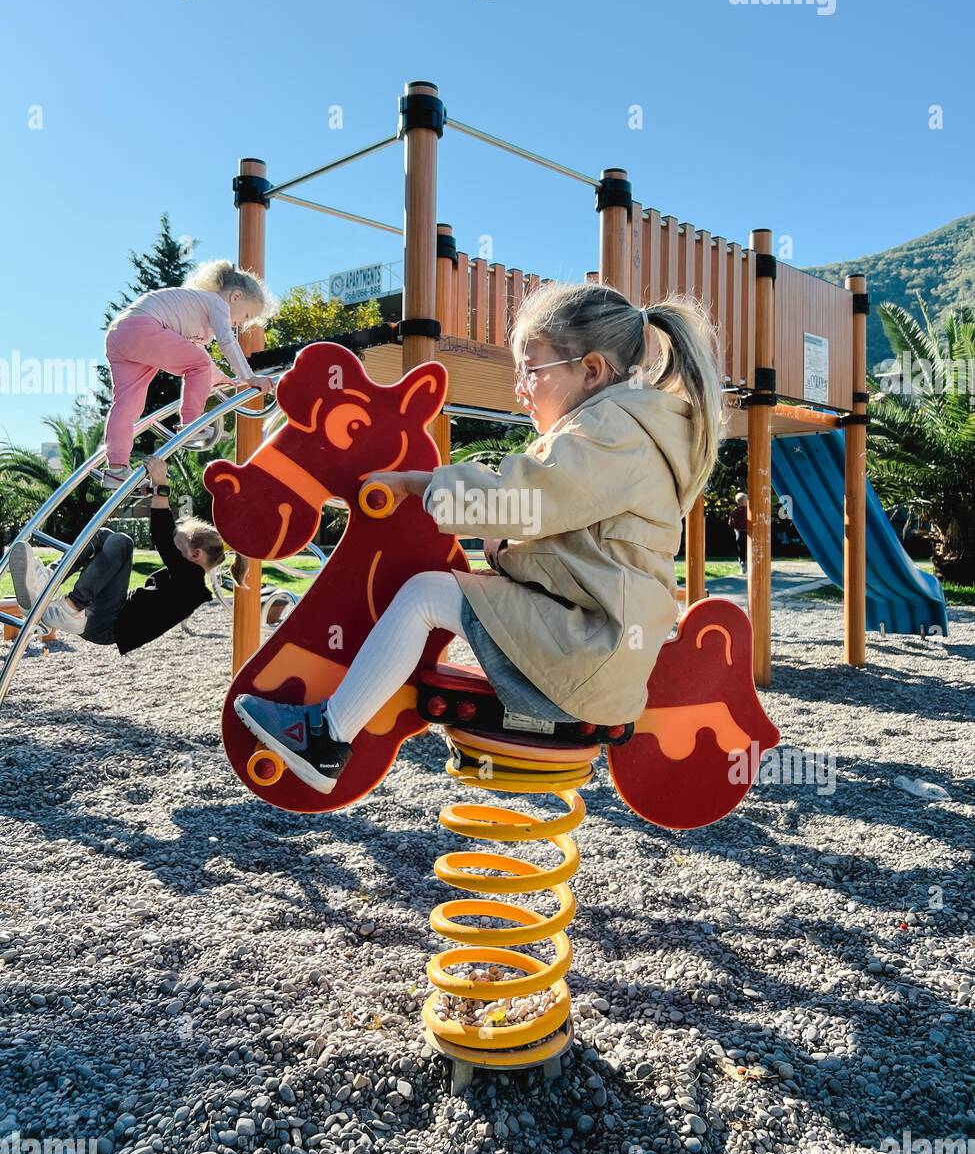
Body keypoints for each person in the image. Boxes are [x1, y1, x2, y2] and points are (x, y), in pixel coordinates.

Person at [236, 282, 723, 796]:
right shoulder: (626, 430)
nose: (520, 388)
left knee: (427, 595)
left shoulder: (612, 433)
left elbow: (521, 501)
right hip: (592, 641)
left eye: (531, 370)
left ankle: (327, 737)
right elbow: (551, 523)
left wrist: (416, 485)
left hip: (586, 652)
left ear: (591, 369)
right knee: (457, 590)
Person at [8, 458, 242, 649]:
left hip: (110, 625)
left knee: (122, 543)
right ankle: (50, 580)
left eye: (178, 547)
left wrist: (161, 485)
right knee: (104, 535)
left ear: (195, 554)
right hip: (110, 615)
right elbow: (163, 538)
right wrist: (151, 492)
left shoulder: (191, 583)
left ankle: (71, 607)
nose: (172, 550)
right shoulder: (187, 578)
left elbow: (161, 536)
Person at [100, 260, 277, 488]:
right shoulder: (217, 304)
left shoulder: (193, 310)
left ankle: (116, 468)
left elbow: (197, 356)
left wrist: (220, 380)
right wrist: (249, 377)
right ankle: (191, 424)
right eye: (246, 316)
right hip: (145, 327)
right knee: (198, 365)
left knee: (127, 404)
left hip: (120, 335)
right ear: (236, 297)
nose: (240, 325)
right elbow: (226, 343)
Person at [728, 490, 748, 573]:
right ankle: (749, 563)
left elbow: (730, 522)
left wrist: (736, 527)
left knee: (741, 549)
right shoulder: (748, 511)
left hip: (739, 532)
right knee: (748, 547)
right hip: (748, 531)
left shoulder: (734, 511)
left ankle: (742, 564)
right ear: (746, 501)